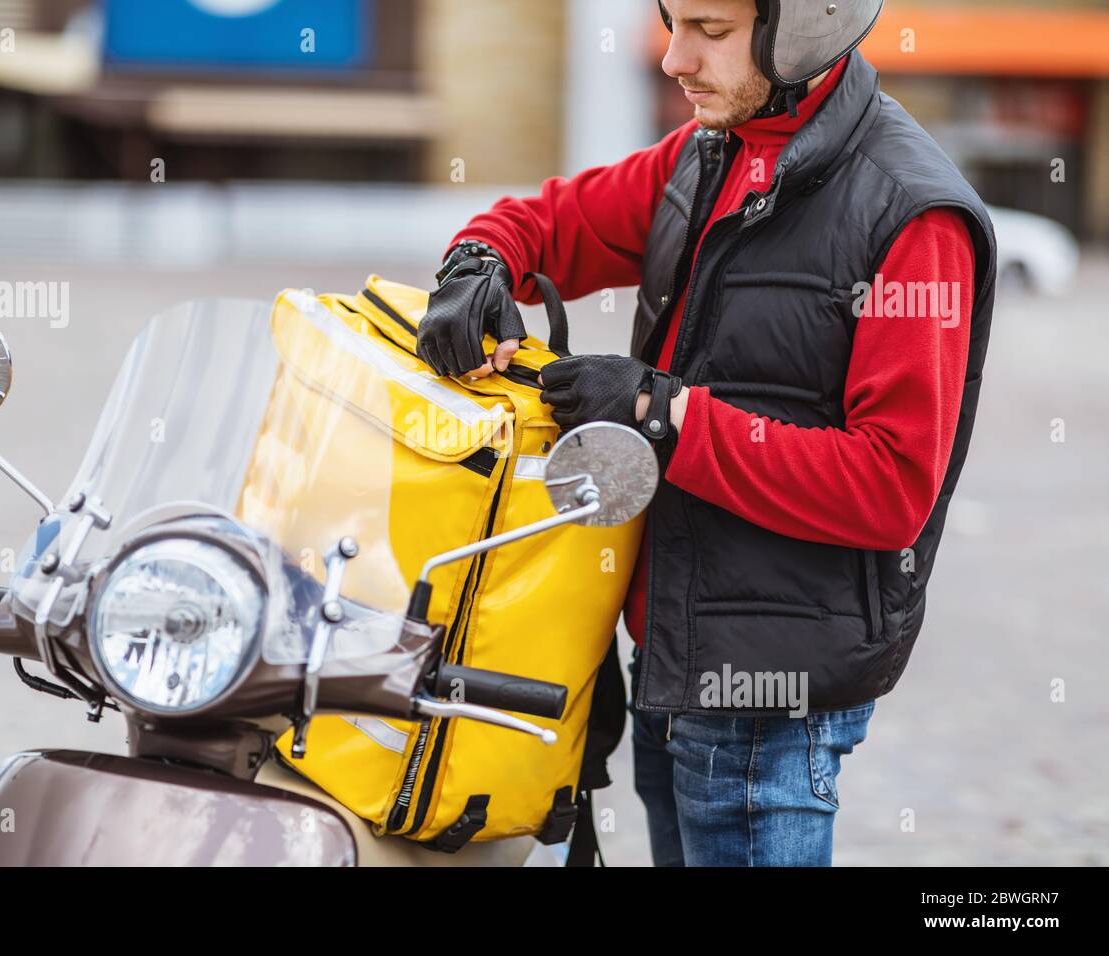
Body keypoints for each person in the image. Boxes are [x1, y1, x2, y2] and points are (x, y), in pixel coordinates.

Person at [415, 0, 997, 866]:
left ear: (803, 26)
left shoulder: (910, 215)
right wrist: (481, 261)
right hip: (671, 663)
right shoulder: (710, 154)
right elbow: (553, 222)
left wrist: (663, 415)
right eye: (671, 22)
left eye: (710, 31)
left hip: (771, 708)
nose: (673, 58)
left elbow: (891, 487)